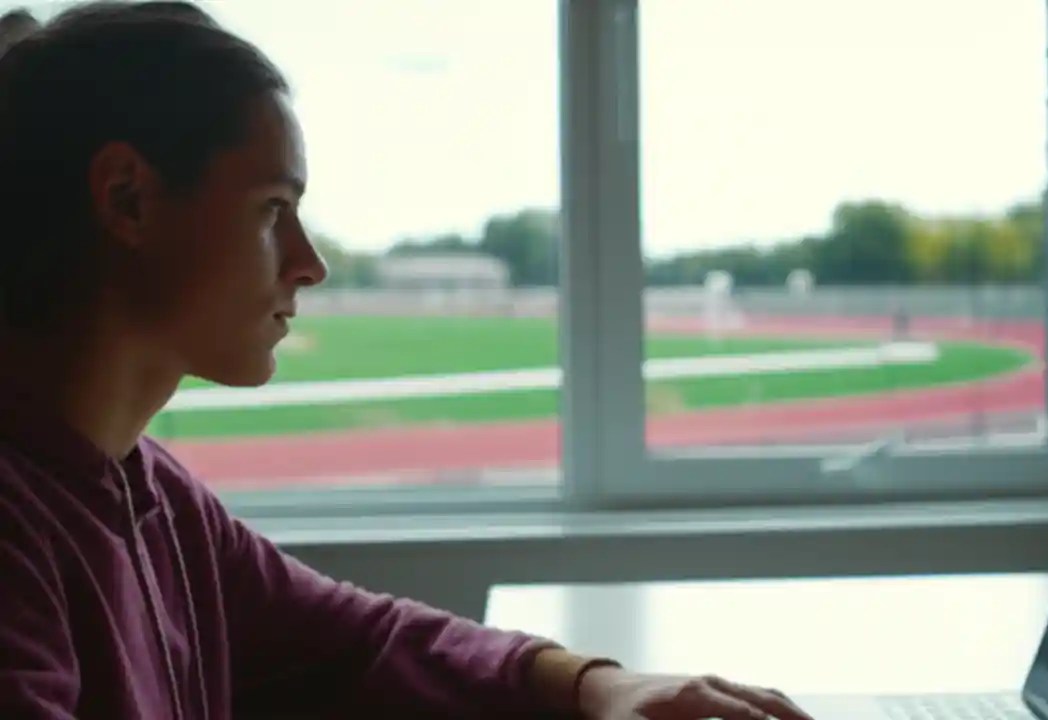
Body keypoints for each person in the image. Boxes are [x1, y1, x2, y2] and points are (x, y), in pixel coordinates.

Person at [0, 3, 813, 719]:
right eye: (273, 209)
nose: (310, 263)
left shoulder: (154, 494)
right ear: (128, 199)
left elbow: (362, 641)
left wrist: (595, 685)